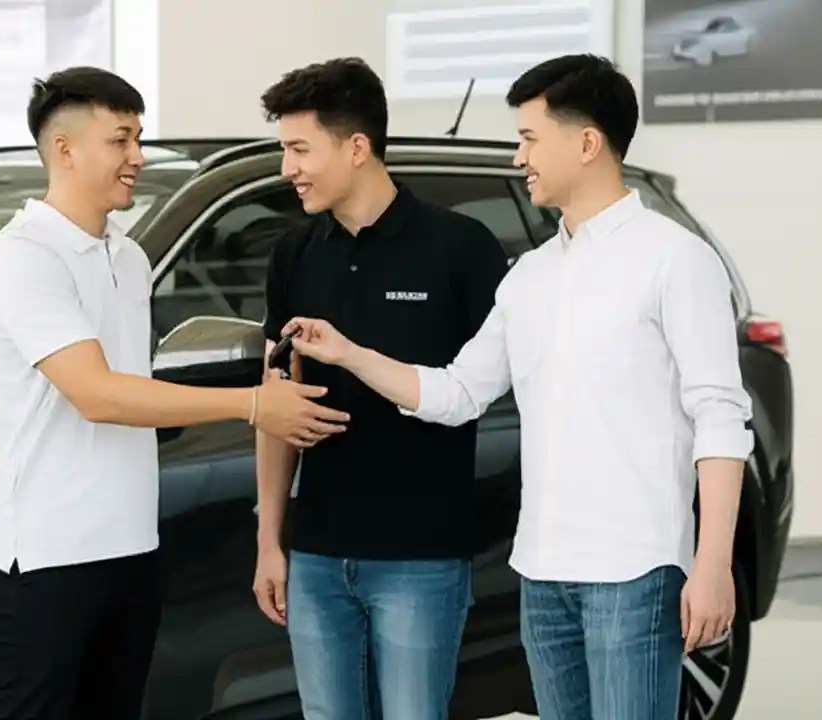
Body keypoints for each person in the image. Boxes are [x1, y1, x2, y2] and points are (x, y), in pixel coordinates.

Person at [279, 54, 753, 720]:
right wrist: (350, 353)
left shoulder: (675, 259)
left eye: (529, 138)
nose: (518, 157)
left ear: (586, 143)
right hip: (541, 572)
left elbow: (720, 416)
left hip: (636, 573)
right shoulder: (530, 276)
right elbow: (457, 393)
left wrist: (712, 565)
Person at [0, 66, 351, 720]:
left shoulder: (128, 257)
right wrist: (253, 404)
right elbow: (99, 395)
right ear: (64, 150)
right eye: (120, 141)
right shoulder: (24, 257)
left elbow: (137, 381)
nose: (137, 158)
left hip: (130, 551)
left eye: (138, 139)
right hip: (43, 562)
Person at [252, 57, 509, 719]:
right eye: (285, 150)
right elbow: (274, 403)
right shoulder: (294, 254)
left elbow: (485, 389)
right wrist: (269, 542)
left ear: (357, 147)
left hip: (420, 559)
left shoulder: (461, 249)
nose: (288, 169)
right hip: (315, 559)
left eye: (300, 149)